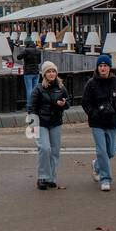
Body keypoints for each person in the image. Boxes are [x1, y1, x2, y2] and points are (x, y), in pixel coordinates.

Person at [81, 55, 116, 191]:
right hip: (97, 122)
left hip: (112, 121)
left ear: (109, 67)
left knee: (111, 151)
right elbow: (85, 102)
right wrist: (93, 113)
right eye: (100, 66)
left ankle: (96, 165)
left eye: (105, 66)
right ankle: (105, 179)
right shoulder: (91, 83)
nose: (103, 68)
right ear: (97, 67)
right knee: (101, 150)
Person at [29, 60, 69, 190]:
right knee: (45, 148)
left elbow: (68, 103)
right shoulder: (38, 88)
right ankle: (42, 177)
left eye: (53, 71)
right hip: (41, 123)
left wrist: (64, 105)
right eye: (48, 72)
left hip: (55, 122)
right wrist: (32, 127)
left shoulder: (61, 88)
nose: (51, 74)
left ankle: (51, 177)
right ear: (44, 74)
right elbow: (31, 107)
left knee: (55, 151)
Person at [17, 38, 43, 105]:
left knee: (29, 89)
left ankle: (29, 105)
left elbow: (18, 57)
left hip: (28, 72)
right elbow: (39, 61)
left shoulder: (26, 50)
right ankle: (36, 104)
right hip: (36, 72)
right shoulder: (38, 50)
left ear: (27, 44)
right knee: (35, 90)